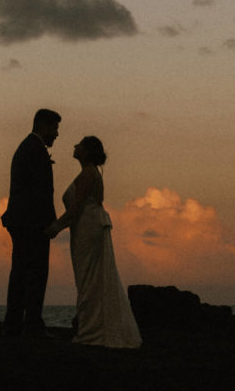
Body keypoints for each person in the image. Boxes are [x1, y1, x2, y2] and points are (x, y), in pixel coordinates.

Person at [46, 136, 142, 349]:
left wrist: (55, 227)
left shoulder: (88, 174)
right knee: (89, 277)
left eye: (79, 144)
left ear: (87, 151)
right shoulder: (88, 173)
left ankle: (91, 331)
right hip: (85, 227)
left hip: (88, 227)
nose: (74, 145)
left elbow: (76, 208)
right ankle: (93, 326)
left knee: (89, 278)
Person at [1, 108, 59, 336]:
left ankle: (14, 321)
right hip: (32, 223)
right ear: (43, 126)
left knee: (20, 271)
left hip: (22, 220)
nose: (56, 134)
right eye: (54, 128)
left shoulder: (28, 148)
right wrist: (49, 223)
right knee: (35, 272)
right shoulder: (34, 150)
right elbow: (40, 192)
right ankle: (32, 323)